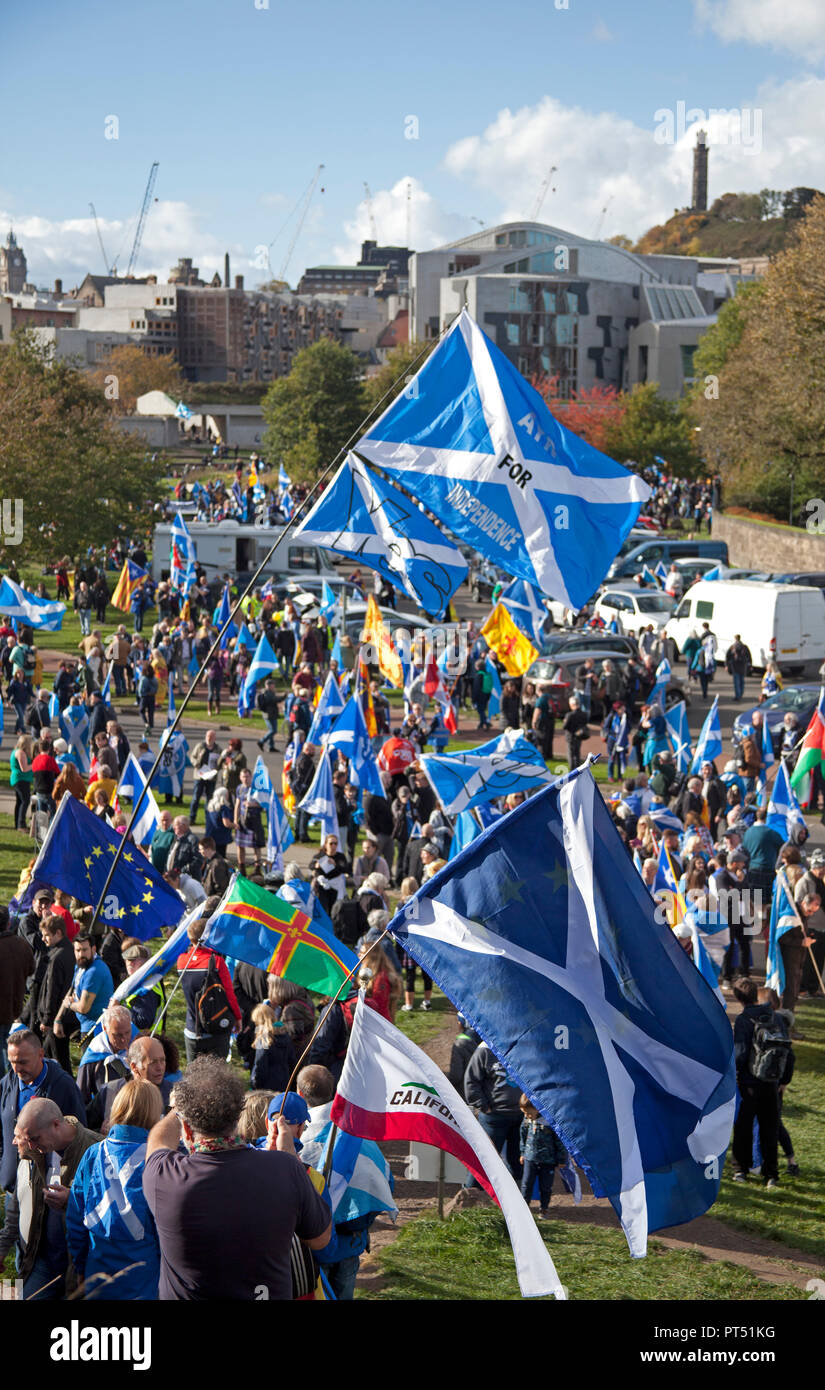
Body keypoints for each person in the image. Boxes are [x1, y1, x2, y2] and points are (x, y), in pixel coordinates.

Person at [142, 1055, 331, 1299]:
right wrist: (290, 1157)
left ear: (187, 1129)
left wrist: (178, 1109)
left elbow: (157, 1140)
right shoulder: (286, 1168)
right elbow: (320, 1239)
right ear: (237, 1117)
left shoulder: (165, 1177)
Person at [66, 1079, 162, 1300]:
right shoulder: (158, 1160)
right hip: (145, 1281)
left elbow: (75, 1222)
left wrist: (81, 1268)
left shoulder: (92, 1154)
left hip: (97, 1273)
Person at [6, 1096, 101, 1299]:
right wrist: (3, 1244)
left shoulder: (96, 1150)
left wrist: (72, 1202)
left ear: (56, 1125)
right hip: (40, 1262)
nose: (29, 1146)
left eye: (35, 1139)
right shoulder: (33, 1152)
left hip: (81, 1267)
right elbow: (16, 1206)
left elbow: (113, 1211)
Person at [730, 977, 788, 1188]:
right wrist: (785, 1079)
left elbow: (741, 1053)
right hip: (772, 1081)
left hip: (749, 1082)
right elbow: (787, 1050)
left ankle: (740, 1170)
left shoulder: (745, 1020)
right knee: (770, 1128)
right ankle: (771, 1173)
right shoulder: (775, 1016)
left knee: (744, 1127)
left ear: (738, 998)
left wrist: (735, 1073)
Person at [176, 913, 241, 1062]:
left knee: (193, 1077)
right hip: (216, 1028)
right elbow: (229, 994)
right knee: (217, 1077)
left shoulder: (181, 961)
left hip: (192, 1028)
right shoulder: (217, 962)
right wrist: (237, 1017)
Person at [463, 1041, 523, 1184]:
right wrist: (484, 1106)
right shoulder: (485, 1050)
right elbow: (471, 1081)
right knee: (486, 1160)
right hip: (494, 1117)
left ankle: (517, 1201)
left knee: (518, 1161)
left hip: (521, 1116)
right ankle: (471, 1195)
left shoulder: (524, 1044)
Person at [27, 914, 74, 1073]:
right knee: (56, 1055)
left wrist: (47, 1019)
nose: (44, 939)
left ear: (58, 933)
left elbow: (52, 990)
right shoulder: (70, 951)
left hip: (54, 1018)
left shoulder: (57, 958)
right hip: (65, 1015)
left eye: (47, 935)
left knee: (57, 1059)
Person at [53, 933, 113, 1048]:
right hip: (87, 1025)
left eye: (85, 950)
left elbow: (83, 1008)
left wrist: (69, 1003)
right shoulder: (81, 965)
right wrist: (58, 1019)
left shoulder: (94, 971)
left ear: (93, 949)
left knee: (89, 1065)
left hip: (95, 1029)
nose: (81, 954)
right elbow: (71, 990)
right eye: (77, 950)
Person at [519, 1093, 566, 1219]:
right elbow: (523, 1136)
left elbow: (559, 1142)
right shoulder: (527, 1120)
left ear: (537, 1109)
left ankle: (544, 1208)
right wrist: (523, 1152)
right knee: (526, 1184)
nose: (526, 1116)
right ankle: (524, 1208)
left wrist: (562, 1159)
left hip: (548, 1160)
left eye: (529, 1113)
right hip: (530, 1157)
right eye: (524, 1113)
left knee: (545, 1186)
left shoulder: (550, 1122)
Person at [76, 1005, 134, 1106]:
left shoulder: (137, 1048)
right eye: (118, 1035)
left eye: (128, 1032)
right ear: (104, 1028)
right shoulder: (93, 1057)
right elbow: (81, 1096)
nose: (124, 1039)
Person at [0, 907, 35, 1072]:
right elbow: (31, 969)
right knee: (7, 1046)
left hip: (6, 1008)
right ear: (8, 923)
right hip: (13, 1008)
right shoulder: (21, 944)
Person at [250, 1001, 297, 1092]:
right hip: (284, 1081)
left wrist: (254, 1082)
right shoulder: (285, 1035)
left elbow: (259, 1064)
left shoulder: (263, 1038)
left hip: (266, 1085)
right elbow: (292, 1060)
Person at [233, 766, 264, 875]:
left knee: (256, 846)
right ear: (240, 778)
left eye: (247, 777)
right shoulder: (239, 788)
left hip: (254, 821)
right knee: (240, 846)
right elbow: (237, 804)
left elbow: (263, 805)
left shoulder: (257, 789)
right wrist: (235, 820)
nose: (245, 779)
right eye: (243, 777)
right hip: (242, 821)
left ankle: (257, 869)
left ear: (251, 777)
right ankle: (242, 868)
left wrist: (252, 804)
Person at [188, 728, 221, 825]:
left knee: (209, 798)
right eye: (208, 736)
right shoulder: (200, 746)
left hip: (211, 777)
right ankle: (192, 818)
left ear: (215, 738)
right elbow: (192, 757)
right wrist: (196, 763)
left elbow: (220, 762)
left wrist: (218, 765)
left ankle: (208, 819)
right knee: (195, 798)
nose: (209, 738)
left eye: (212, 737)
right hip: (200, 776)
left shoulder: (218, 749)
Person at [10, 733, 34, 830]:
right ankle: (21, 824)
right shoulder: (20, 753)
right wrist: (35, 763)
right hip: (20, 779)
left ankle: (18, 824)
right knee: (25, 801)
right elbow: (24, 768)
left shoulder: (18, 751)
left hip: (22, 779)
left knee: (20, 801)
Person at [562, 694, 589, 769]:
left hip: (570, 736)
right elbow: (585, 723)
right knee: (577, 754)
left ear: (572, 704)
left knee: (570, 754)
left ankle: (572, 770)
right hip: (579, 735)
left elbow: (565, 726)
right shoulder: (584, 714)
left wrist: (564, 722)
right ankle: (577, 770)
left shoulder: (569, 715)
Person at [725, 634, 752, 703]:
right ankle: (741, 693)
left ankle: (738, 695)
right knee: (742, 681)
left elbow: (727, 656)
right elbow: (749, 656)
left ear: (735, 639)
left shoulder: (732, 647)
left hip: (735, 666)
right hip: (743, 666)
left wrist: (726, 665)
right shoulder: (744, 647)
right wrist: (750, 664)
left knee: (736, 682)